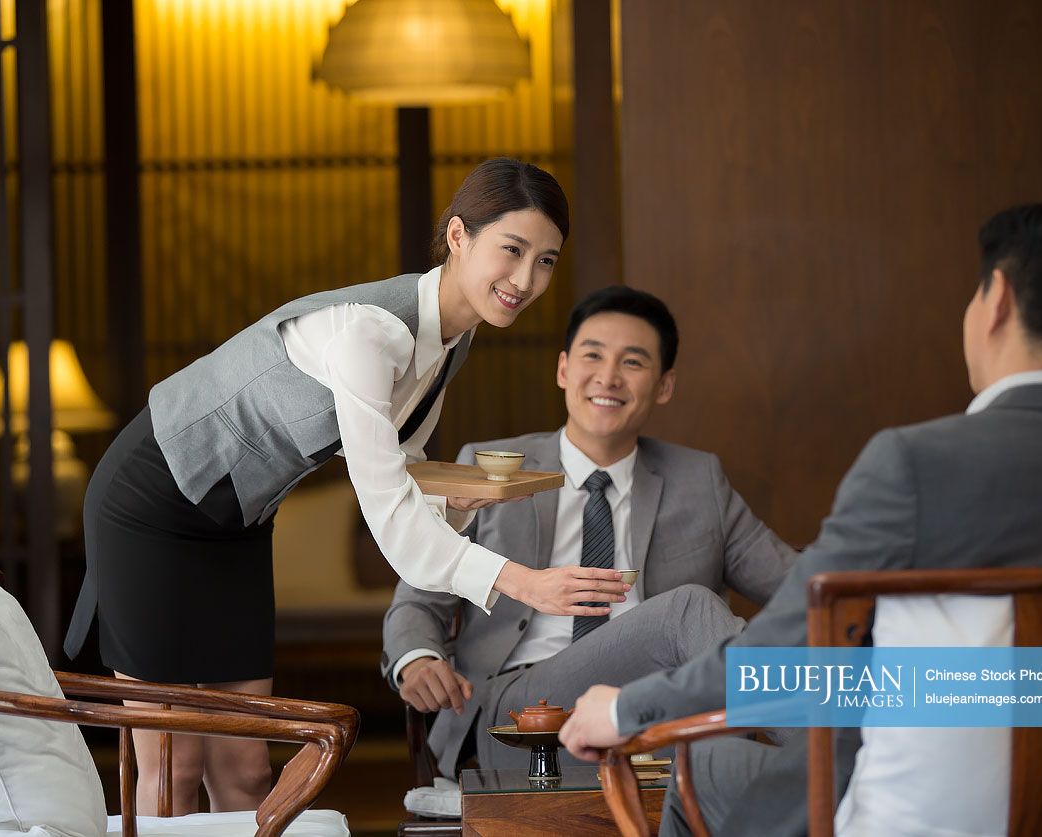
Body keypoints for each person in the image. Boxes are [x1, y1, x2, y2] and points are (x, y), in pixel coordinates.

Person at [62, 158, 631, 815]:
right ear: (457, 236)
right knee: (173, 763)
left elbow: (403, 462)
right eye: (512, 250)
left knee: (246, 767)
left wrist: (456, 495)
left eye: (545, 261)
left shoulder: (452, 339)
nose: (525, 279)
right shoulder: (370, 333)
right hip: (151, 503)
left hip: (237, 525)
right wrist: (522, 581)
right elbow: (386, 509)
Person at [559, 200, 1042, 835]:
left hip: (927, 816)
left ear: (996, 299)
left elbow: (795, 637)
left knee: (708, 762)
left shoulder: (916, 463)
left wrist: (626, 708)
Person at [383, 285, 798, 776]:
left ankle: (813, 763)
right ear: (563, 369)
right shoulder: (489, 467)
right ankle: (836, 751)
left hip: (660, 713)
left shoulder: (698, 480)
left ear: (664, 385)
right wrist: (418, 660)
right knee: (690, 611)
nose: (608, 376)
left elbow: (800, 587)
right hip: (525, 715)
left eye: (633, 362)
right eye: (593, 355)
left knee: (728, 746)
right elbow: (418, 597)